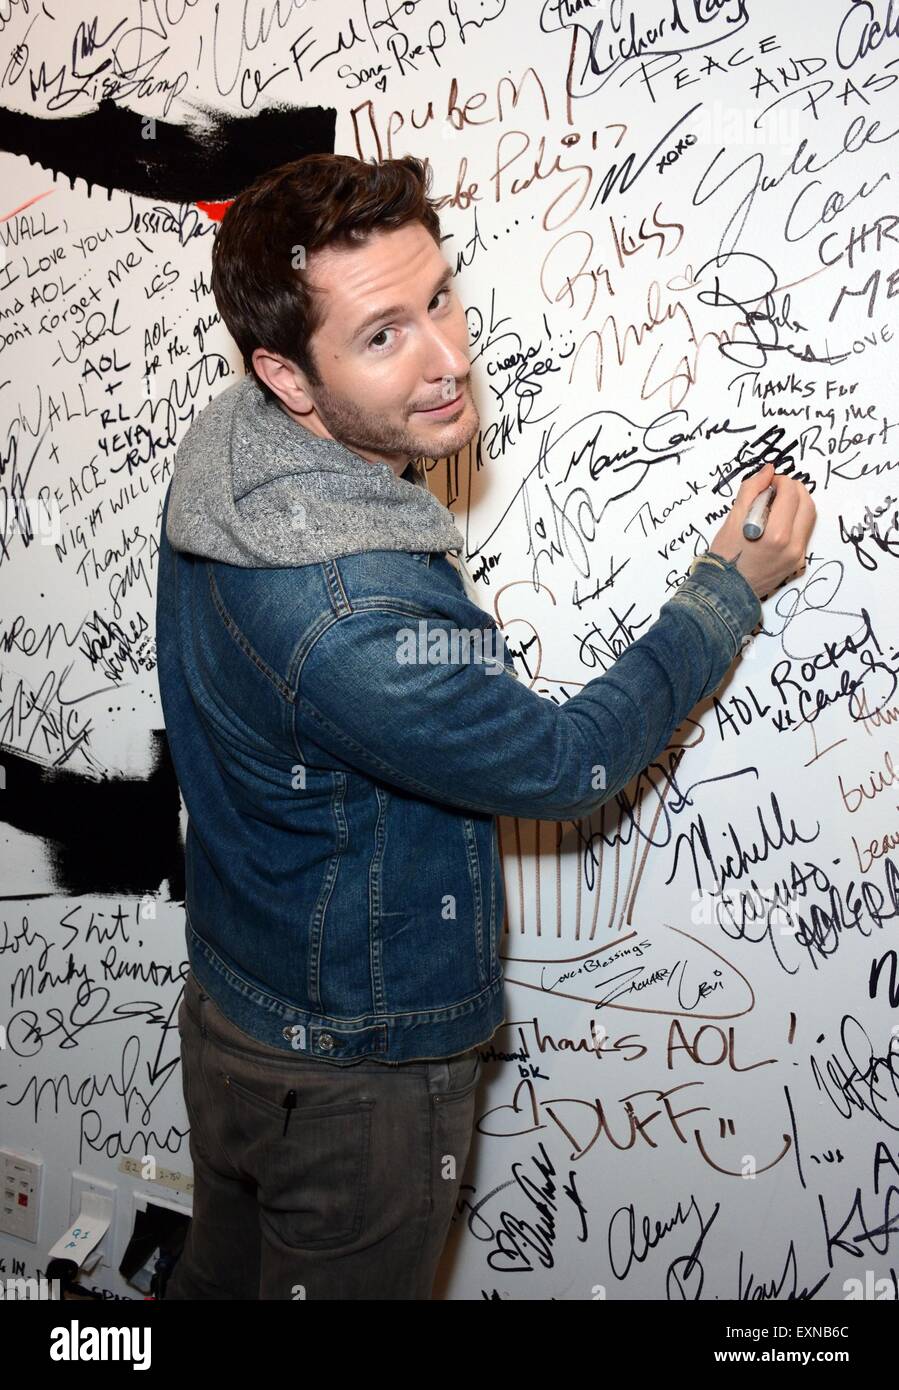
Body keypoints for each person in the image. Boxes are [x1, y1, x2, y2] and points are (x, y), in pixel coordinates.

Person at [155, 153, 816, 1300]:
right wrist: (725, 586)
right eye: (382, 336)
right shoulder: (350, 611)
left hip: (237, 1014)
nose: (447, 355)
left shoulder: (227, 454)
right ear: (288, 375)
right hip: (353, 1082)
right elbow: (566, 763)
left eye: (440, 297)